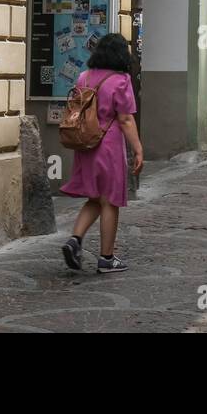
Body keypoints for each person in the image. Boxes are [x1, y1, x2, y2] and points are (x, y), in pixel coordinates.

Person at [61, 33, 144, 274]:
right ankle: (106, 257)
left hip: (85, 143)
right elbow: (126, 119)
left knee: (94, 197)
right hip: (108, 145)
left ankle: (74, 239)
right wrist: (138, 149)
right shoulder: (121, 79)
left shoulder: (83, 77)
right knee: (110, 201)